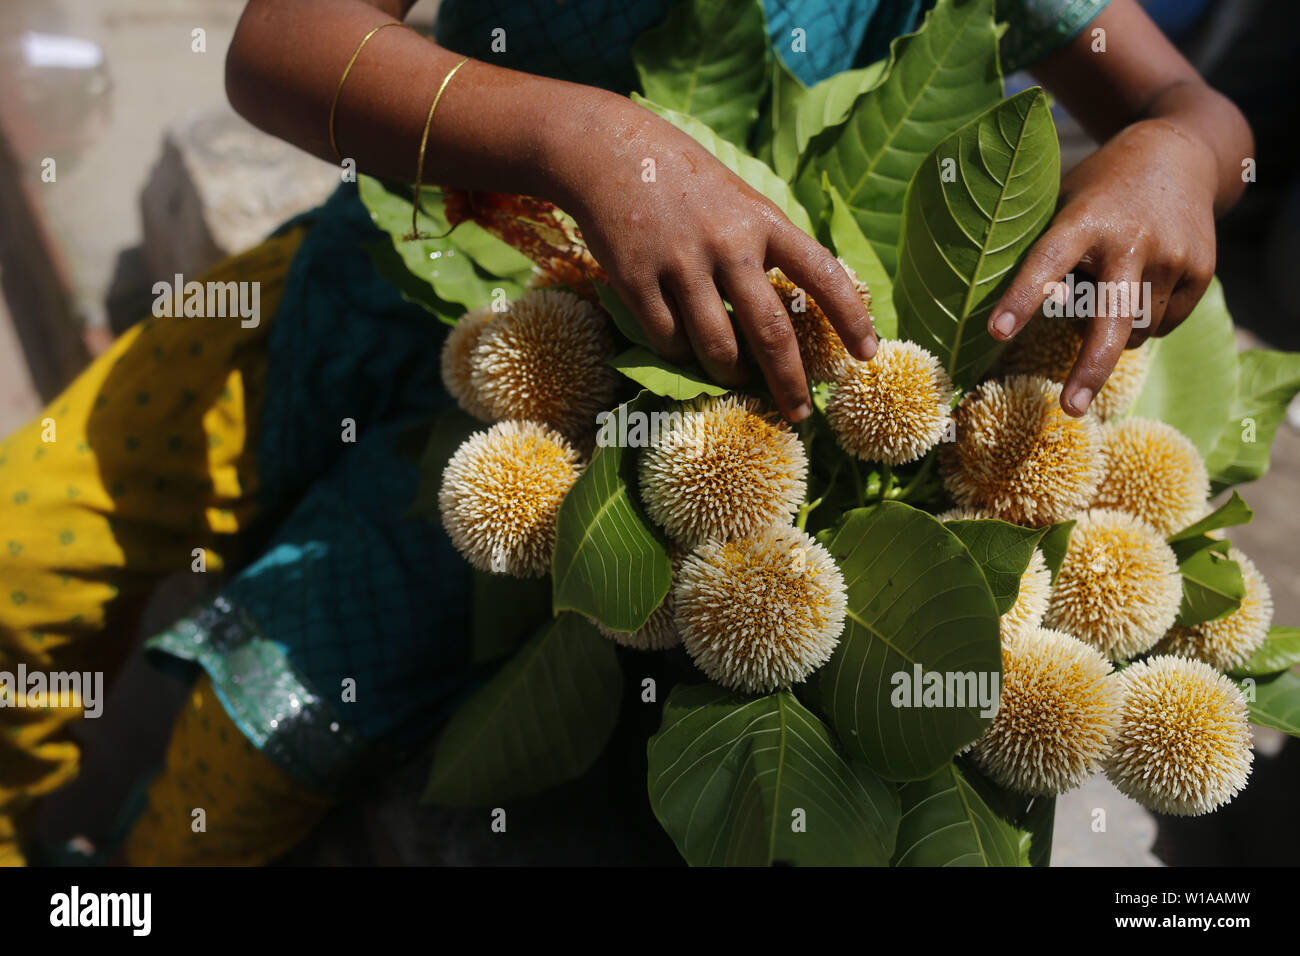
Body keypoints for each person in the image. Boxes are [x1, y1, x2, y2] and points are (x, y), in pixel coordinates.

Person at [0, 0, 1252, 866]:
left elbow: (1193, 104)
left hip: (638, 409)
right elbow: (281, 43)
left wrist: (1175, 153)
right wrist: (585, 138)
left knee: (250, 751)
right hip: (383, 273)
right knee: (19, 562)